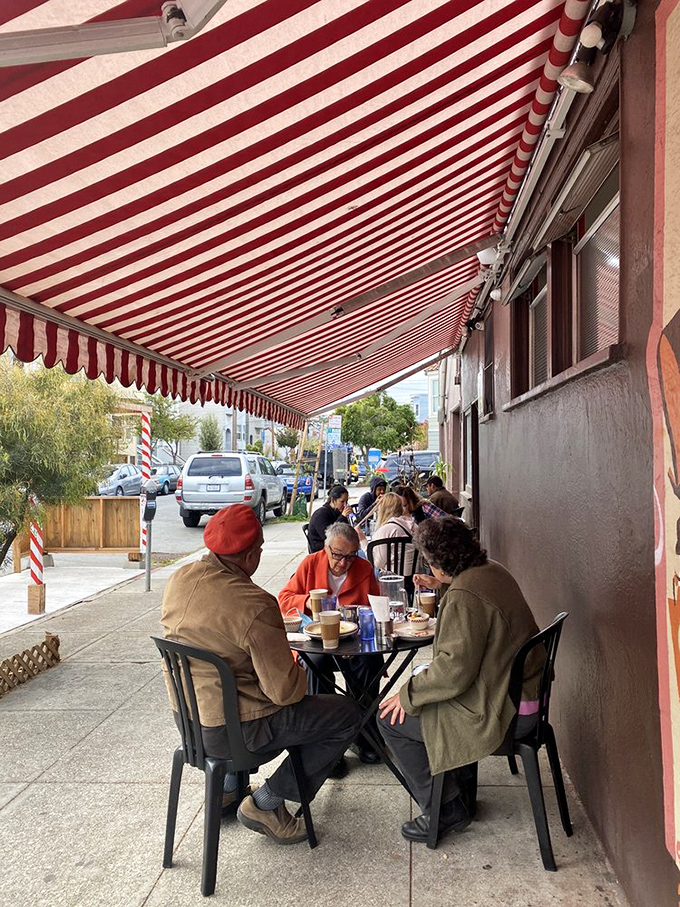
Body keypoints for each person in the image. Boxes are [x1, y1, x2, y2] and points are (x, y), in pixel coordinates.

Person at [160, 505, 362, 845]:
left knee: (238, 690)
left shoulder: (179, 579)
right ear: (251, 554)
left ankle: (227, 788)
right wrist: (298, 668)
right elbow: (285, 693)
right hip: (238, 733)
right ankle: (268, 802)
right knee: (347, 714)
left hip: (190, 722)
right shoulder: (253, 603)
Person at [378, 517, 544, 844]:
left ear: (439, 562)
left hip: (504, 710)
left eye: (430, 560)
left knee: (389, 721)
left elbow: (454, 672)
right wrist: (444, 586)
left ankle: (445, 807)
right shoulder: (492, 570)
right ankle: (460, 797)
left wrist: (407, 694)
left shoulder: (465, 594)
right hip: (521, 692)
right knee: (432, 697)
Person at [279, 522, 383, 765]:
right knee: (312, 663)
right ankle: (325, 745)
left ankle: (364, 735)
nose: (343, 562)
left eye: (350, 556)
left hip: (353, 640)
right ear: (326, 548)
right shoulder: (311, 563)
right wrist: (308, 602)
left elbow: (378, 605)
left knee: (371, 661)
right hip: (317, 640)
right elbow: (283, 598)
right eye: (337, 555)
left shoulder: (364, 568)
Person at [362, 492, 417, 575]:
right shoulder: (413, 526)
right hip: (413, 579)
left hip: (390, 580)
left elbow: (376, 563)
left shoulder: (385, 531)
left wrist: (363, 541)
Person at [307, 484, 352, 553]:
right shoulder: (321, 514)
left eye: (347, 501)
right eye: (342, 502)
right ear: (333, 500)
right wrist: (343, 517)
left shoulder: (336, 511)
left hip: (336, 547)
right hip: (321, 550)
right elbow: (328, 536)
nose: (345, 505)